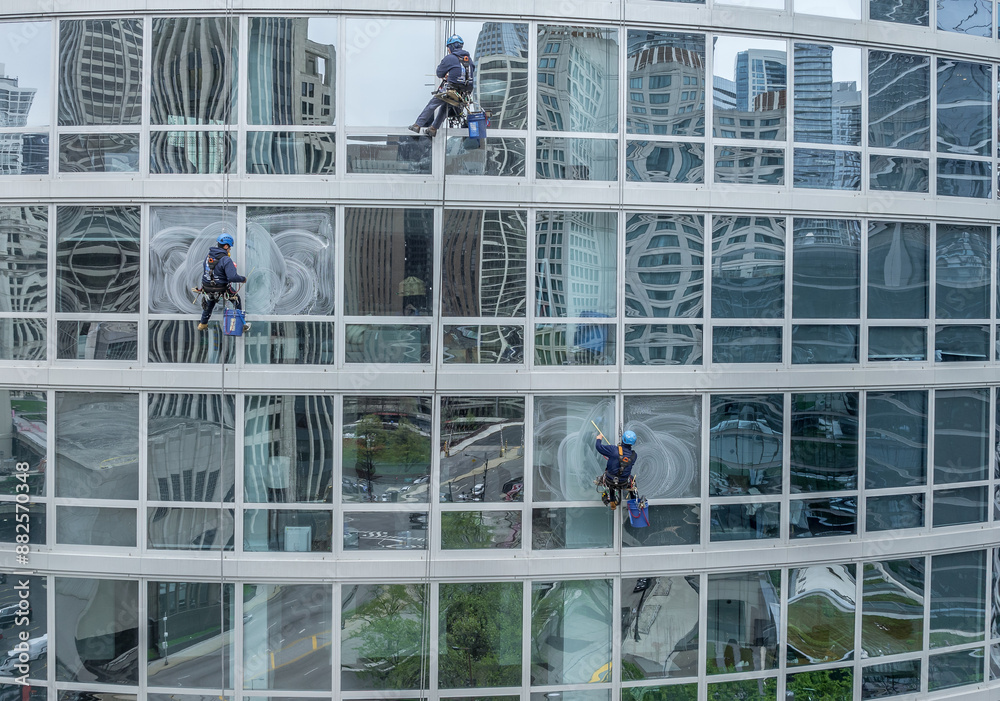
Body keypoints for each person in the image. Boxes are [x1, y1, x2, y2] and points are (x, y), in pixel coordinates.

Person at [409, 34, 475, 138]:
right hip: (464, 93)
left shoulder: (450, 58)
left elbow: (439, 73)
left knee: (433, 104)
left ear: (451, 47)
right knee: (445, 107)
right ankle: (433, 128)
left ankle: (417, 125)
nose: (448, 50)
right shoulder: (469, 60)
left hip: (452, 89)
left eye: (448, 48)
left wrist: (448, 76)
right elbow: (467, 74)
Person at [196, 233, 249, 332]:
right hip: (221, 287)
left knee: (211, 300)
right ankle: (241, 324)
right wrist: (243, 279)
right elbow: (232, 277)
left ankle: (203, 323)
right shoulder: (226, 259)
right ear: (225, 246)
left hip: (207, 287)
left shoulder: (208, 257)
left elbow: (207, 270)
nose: (230, 250)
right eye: (229, 248)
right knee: (236, 299)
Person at [594, 429, 637, 510]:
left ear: (623, 439)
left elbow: (598, 447)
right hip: (623, 482)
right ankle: (634, 501)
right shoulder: (634, 455)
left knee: (611, 477)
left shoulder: (613, 449)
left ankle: (612, 501)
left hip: (610, 480)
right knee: (632, 480)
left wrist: (599, 438)